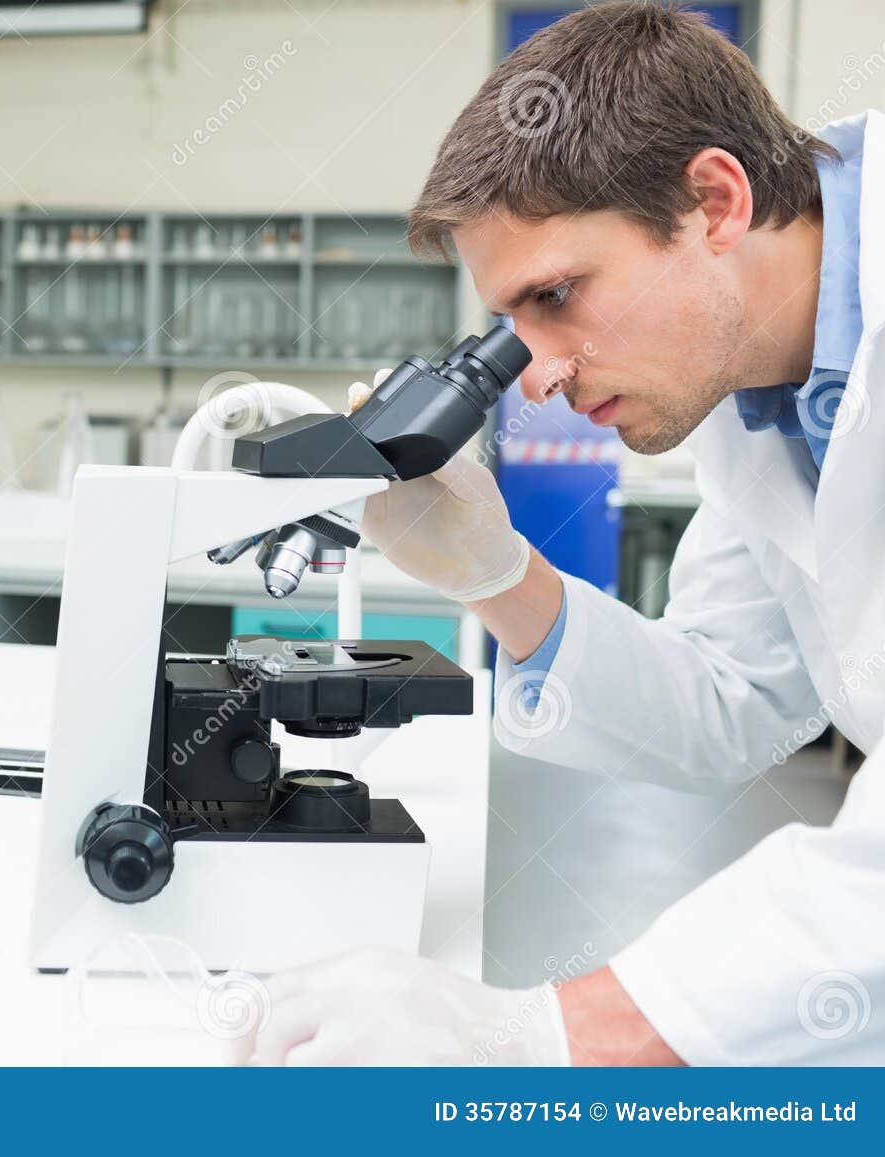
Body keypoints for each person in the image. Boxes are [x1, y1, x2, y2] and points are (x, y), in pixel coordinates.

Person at [242, 2, 884, 1065]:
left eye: (557, 295)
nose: (534, 374)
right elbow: (736, 699)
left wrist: (547, 1032)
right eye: (511, 327)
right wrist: (498, 575)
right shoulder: (761, 394)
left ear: (714, 202)